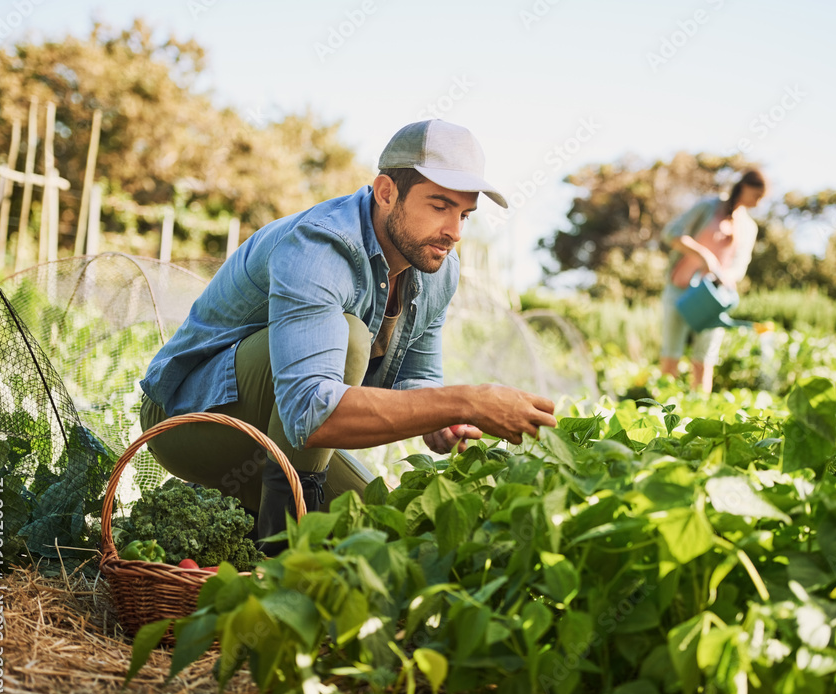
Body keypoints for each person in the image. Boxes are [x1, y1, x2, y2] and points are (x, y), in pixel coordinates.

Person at [138, 119, 557, 551]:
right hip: (187, 418)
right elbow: (310, 411)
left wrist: (443, 420)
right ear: (386, 192)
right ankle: (282, 557)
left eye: (464, 214)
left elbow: (419, 377)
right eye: (439, 206)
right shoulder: (319, 246)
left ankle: (268, 526)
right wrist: (469, 400)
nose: (454, 231)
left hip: (283, 440)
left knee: (385, 532)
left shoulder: (437, 268)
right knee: (350, 336)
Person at [659, 169, 767, 392]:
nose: (758, 202)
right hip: (680, 287)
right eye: (756, 195)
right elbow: (671, 233)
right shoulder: (708, 207)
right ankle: (661, 410)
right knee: (671, 353)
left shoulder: (748, 227)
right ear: (745, 187)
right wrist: (703, 255)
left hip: (711, 297)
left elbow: (740, 265)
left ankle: (699, 412)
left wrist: (724, 276)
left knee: (705, 358)